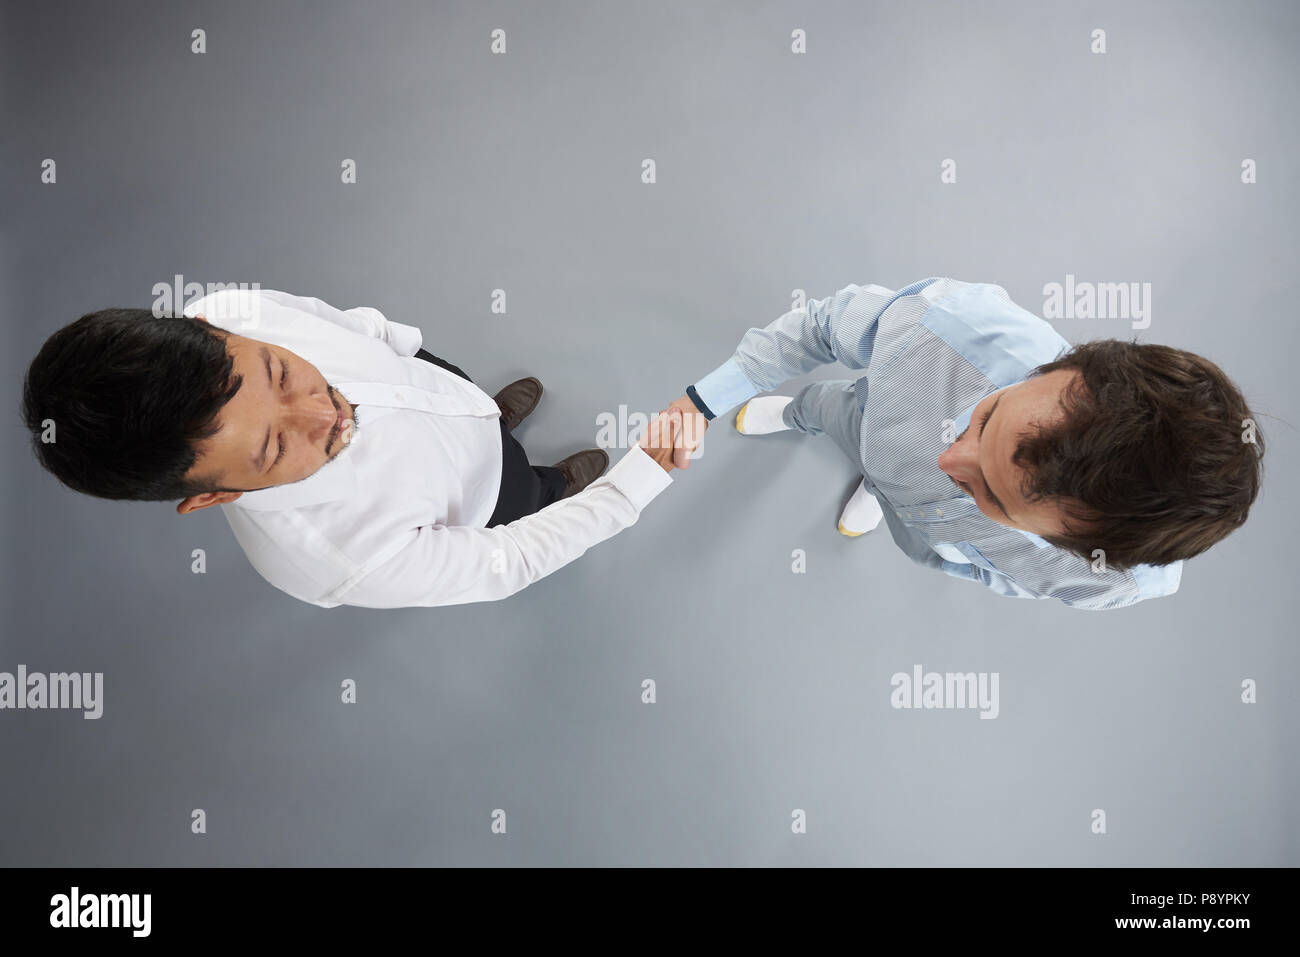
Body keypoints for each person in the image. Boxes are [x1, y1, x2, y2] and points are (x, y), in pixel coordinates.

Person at [20, 288, 684, 608]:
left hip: (440, 389)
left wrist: (407, 352)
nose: (329, 410)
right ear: (214, 495)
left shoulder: (229, 309)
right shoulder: (338, 561)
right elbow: (506, 559)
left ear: (208, 326)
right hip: (487, 502)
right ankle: (555, 484)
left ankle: (491, 417)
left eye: (279, 373)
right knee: (529, 495)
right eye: (276, 445)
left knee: (473, 404)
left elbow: (355, 326)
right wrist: (634, 483)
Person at [662, 277, 1264, 610]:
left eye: (993, 498)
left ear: (1077, 545)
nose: (946, 458)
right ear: (1064, 367)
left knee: (892, 476)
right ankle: (803, 416)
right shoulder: (949, 324)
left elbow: (1011, 579)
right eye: (986, 418)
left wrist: (944, 551)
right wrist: (704, 400)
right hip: (868, 415)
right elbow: (822, 326)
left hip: (925, 533)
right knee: (824, 406)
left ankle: (880, 482)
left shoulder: (1111, 581)